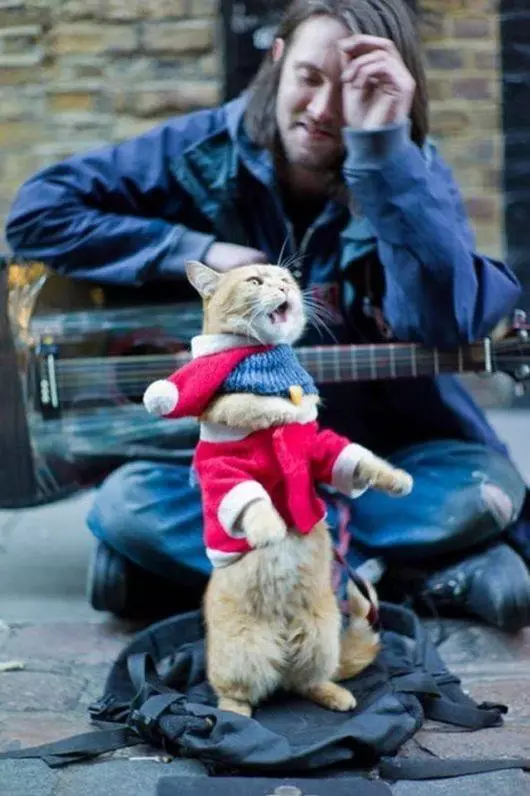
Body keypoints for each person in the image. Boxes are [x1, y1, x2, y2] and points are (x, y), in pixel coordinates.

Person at [5, 0, 530, 630]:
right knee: (127, 505)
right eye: (310, 77)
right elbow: (38, 213)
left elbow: (447, 324)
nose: (323, 110)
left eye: (355, 91)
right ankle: (404, 576)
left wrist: (383, 157)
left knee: (483, 487)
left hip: (372, 448)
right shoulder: (198, 150)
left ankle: (214, 576)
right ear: (277, 62)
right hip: (233, 465)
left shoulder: (409, 172)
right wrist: (193, 252)